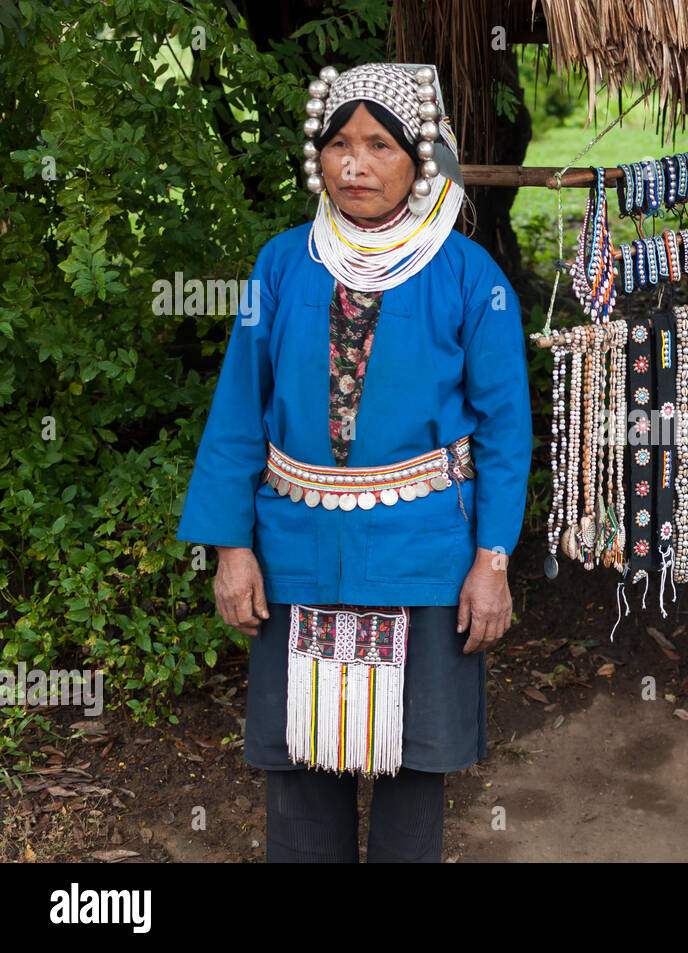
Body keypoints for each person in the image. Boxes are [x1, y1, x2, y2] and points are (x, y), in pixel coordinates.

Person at [177, 63, 532, 862]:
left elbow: (507, 435)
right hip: (295, 555)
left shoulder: (470, 277)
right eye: (339, 143)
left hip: (426, 561)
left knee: (414, 780)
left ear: (422, 158)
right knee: (300, 776)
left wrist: (492, 561)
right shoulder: (280, 264)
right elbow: (237, 413)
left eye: (379, 144)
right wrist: (232, 549)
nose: (355, 164)